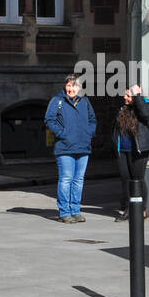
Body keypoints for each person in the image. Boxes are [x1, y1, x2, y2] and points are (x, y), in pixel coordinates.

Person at [45, 75, 96, 223]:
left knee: (78, 180)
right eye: (69, 85)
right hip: (65, 147)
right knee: (66, 179)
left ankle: (76, 210)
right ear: (65, 86)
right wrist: (62, 134)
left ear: (79, 88)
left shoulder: (85, 102)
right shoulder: (57, 101)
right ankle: (64, 212)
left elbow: (92, 120)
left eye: (74, 86)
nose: (71, 89)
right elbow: (49, 120)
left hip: (83, 147)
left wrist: (88, 134)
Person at [113, 84, 149, 221]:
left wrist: (137, 96)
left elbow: (145, 113)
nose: (125, 97)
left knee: (138, 180)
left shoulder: (145, 104)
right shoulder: (122, 109)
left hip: (139, 150)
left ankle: (141, 209)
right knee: (126, 180)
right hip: (123, 150)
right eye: (125, 95)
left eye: (128, 95)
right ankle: (128, 209)